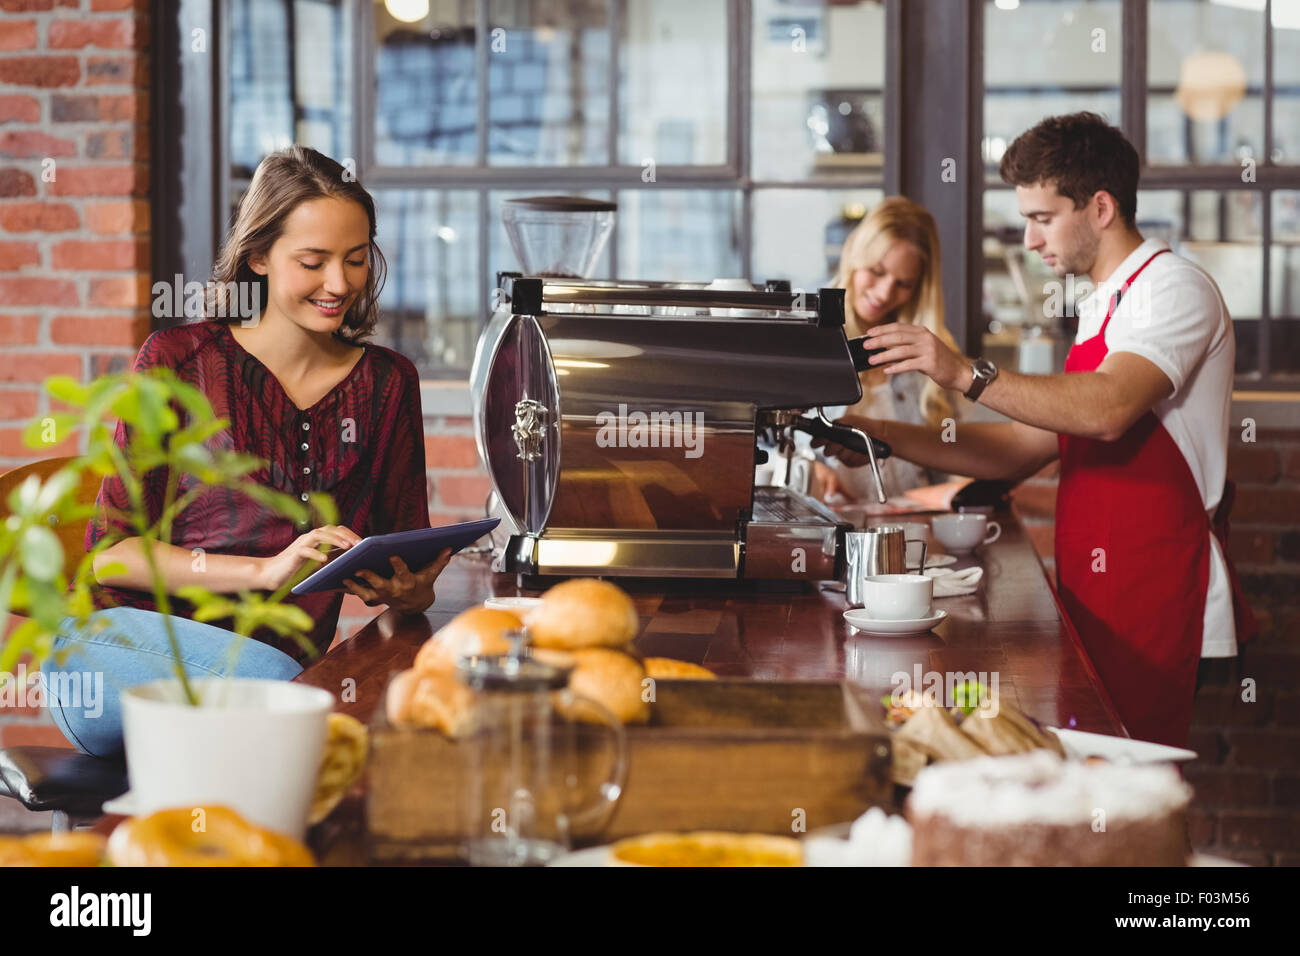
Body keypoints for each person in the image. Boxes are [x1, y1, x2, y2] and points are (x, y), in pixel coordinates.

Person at [816, 113, 1256, 748]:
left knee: (1138, 783)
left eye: (1043, 218)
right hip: (1097, 586)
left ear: (1100, 207)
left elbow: (1104, 410)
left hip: (1159, 589)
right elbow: (1025, 445)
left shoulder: (1172, 289)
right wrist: (873, 433)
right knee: (1094, 770)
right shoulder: (1107, 301)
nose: (1028, 239)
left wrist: (964, 373)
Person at [41, 146, 451, 756]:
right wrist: (266, 571)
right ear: (257, 256)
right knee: (306, 711)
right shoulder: (178, 361)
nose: (338, 283)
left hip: (276, 677)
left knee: (313, 711)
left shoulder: (389, 383)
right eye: (312, 262)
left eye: (356, 260)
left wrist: (410, 588)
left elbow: (406, 559)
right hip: (117, 651)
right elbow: (112, 557)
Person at [810, 197, 962, 503]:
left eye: (903, 284)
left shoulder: (932, 353)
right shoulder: (809, 341)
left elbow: (957, 458)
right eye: (877, 272)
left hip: (919, 531)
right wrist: (810, 469)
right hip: (834, 531)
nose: (884, 293)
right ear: (854, 254)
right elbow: (766, 446)